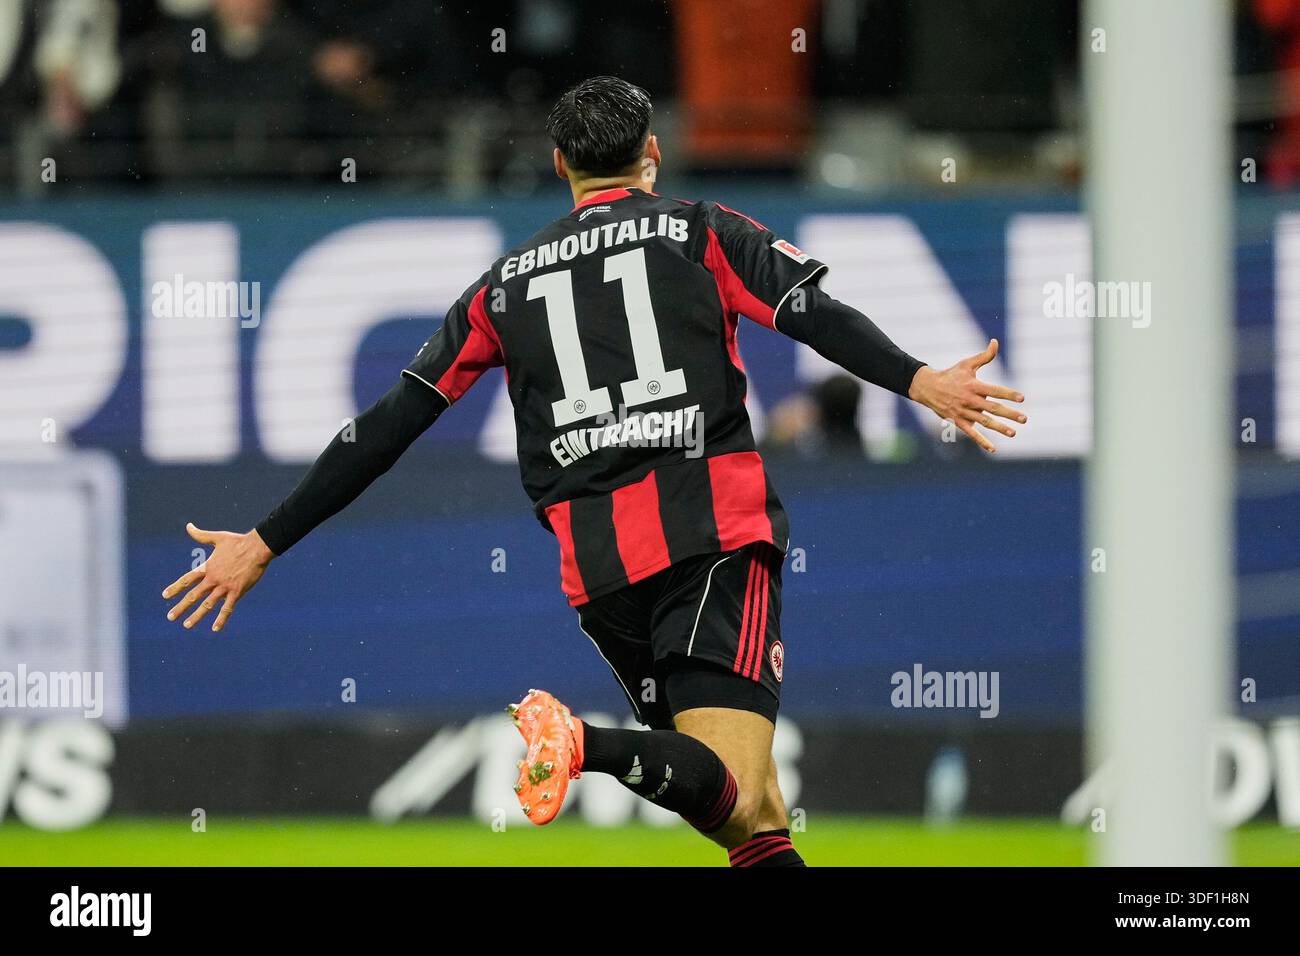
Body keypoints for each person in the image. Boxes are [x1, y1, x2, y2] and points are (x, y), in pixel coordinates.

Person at [161, 76, 1026, 867]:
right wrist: (921, 381)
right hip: (711, 533)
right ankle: (581, 743)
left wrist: (266, 541)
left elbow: (386, 425)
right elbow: (810, 312)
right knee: (737, 786)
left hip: (599, 572)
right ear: (652, 151)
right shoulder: (700, 231)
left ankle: (591, 746)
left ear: (559, 164)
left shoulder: (498, 290)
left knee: (749, 811)